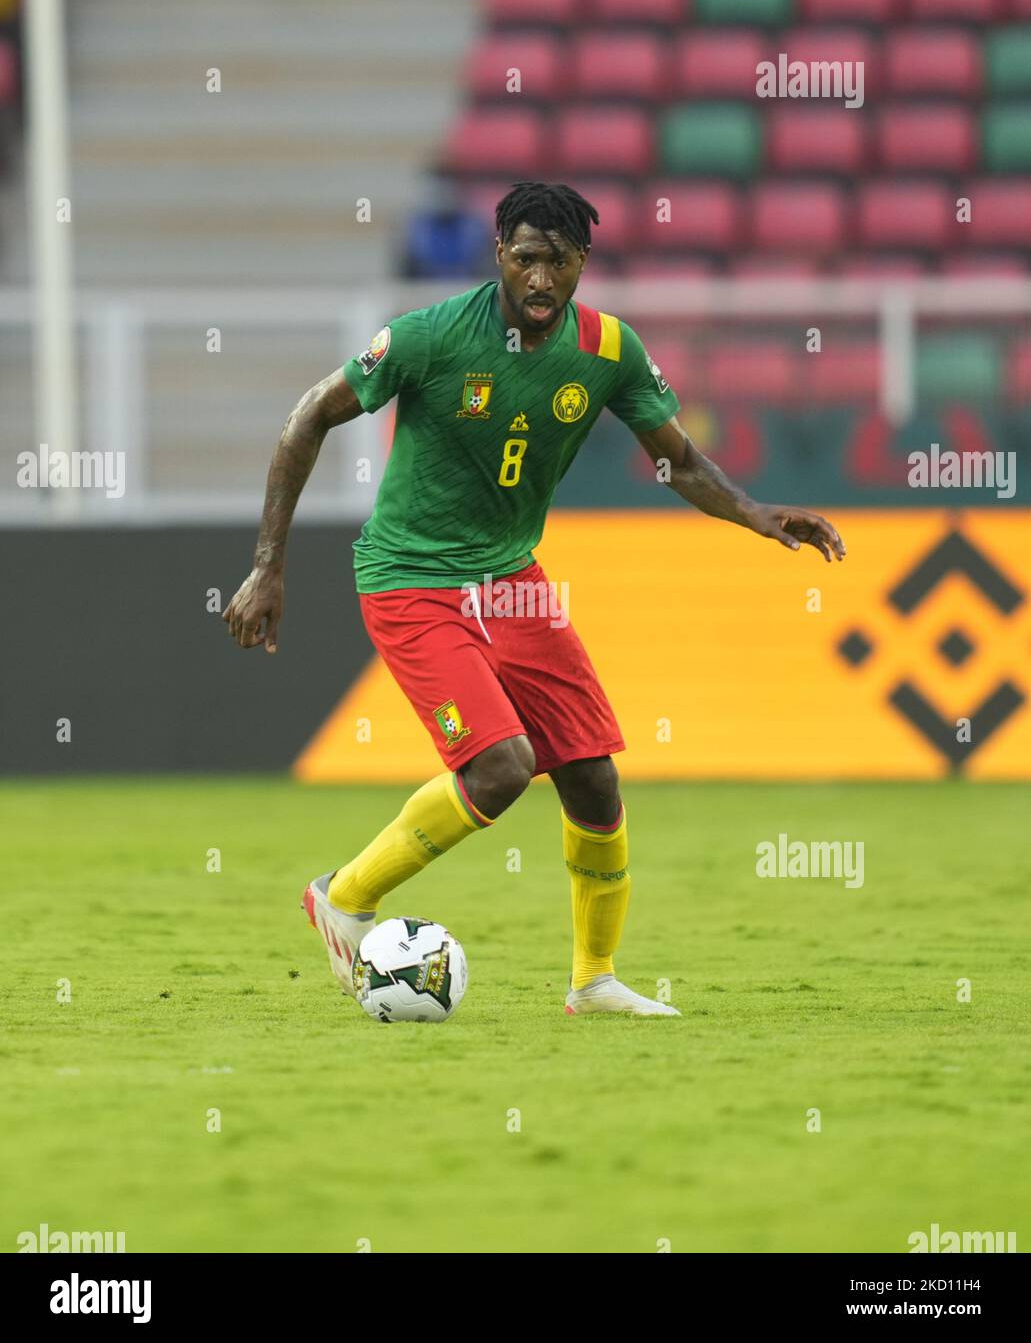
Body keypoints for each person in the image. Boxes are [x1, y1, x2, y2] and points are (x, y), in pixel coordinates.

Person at [224, 181, 846, 1017]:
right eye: (525, 259)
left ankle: (593, 980)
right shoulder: (430, 337)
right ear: (499, 258)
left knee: (591, 779)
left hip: (511, 581)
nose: (540, 278)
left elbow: (682, 460)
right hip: (412, 577)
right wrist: (269, 565)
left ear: (583, 261)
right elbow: (306, 419)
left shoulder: (607, 351)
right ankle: (342, 892)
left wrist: (757, 513)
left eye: (557, 260)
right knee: (502, 766)